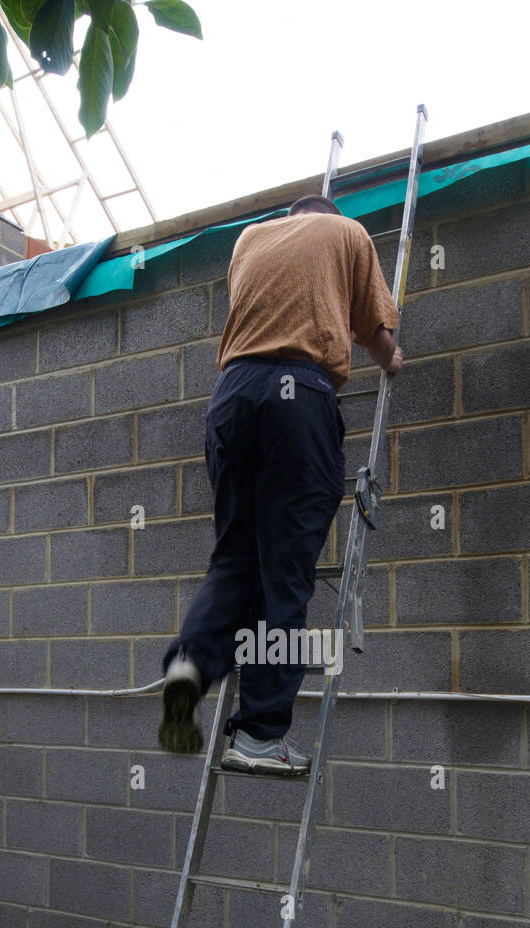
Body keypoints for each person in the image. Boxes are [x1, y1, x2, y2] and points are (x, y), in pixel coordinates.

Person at [158, 193, 403, 773]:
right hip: (298, 396)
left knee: (234, 562)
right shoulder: (348, 234)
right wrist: (393, 360)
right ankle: (262, 735)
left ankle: (188, 669)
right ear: (327, 215)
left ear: (290, 219)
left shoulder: (249, 241)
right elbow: (376, 334)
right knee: (285, 573)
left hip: (231, 396)